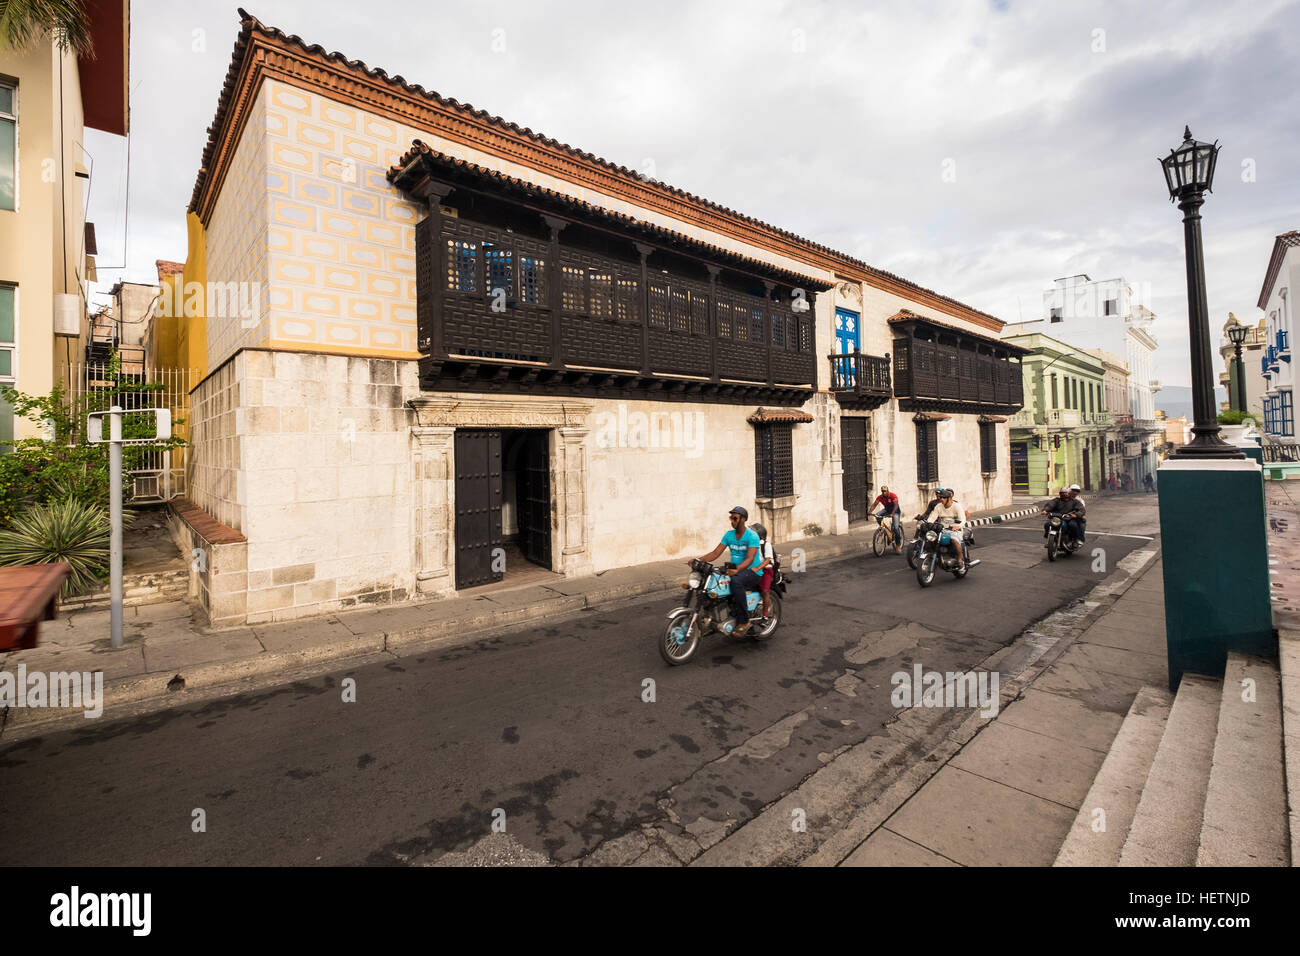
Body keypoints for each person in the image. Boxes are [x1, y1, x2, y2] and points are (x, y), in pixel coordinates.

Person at [689, 505, 762, 636]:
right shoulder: (729, 535)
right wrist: (697, 560)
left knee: (735, 582)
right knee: (710, 576)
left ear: (743, 519)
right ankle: (714, 614)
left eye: (735, 518)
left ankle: (744, 621)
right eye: (731, 518)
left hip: (753, 571)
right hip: (733, 568)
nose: (732, 521)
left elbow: (750, 559)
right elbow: (716, 553)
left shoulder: (752, 536)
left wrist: (737, 570)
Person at [917, 488, 971, 569]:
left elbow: (963, 519)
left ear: (948, 498)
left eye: (943, 498)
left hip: (954, 529)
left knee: (954, 540)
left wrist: (958, 526)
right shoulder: (939, 506)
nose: (941, 499)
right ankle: (934, 556)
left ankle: (959, 560)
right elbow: (932, 517)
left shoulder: (956, 506)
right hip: (942, 529)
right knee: (930, 539)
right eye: (940, 497)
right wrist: (928, 524)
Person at [752, 522, 775, 619]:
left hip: (766, 570)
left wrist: (757, 568)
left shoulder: (766, 545)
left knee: (765, 591)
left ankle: (765, 613)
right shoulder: (750, 544)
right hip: (754, 570)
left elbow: (767, 560)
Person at [871, 485, 903, 552]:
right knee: (877, 515)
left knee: (896, 528)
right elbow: (874, 504)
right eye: (882, 491)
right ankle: (883, 529)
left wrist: (892, 514)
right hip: (887, 510)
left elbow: (896, 505)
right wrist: (869, 512)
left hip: (895, 511)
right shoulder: (880, 497)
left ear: (888, 491)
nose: (883, 493)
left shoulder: (893, 496)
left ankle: (898, 545)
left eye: (885, 491)